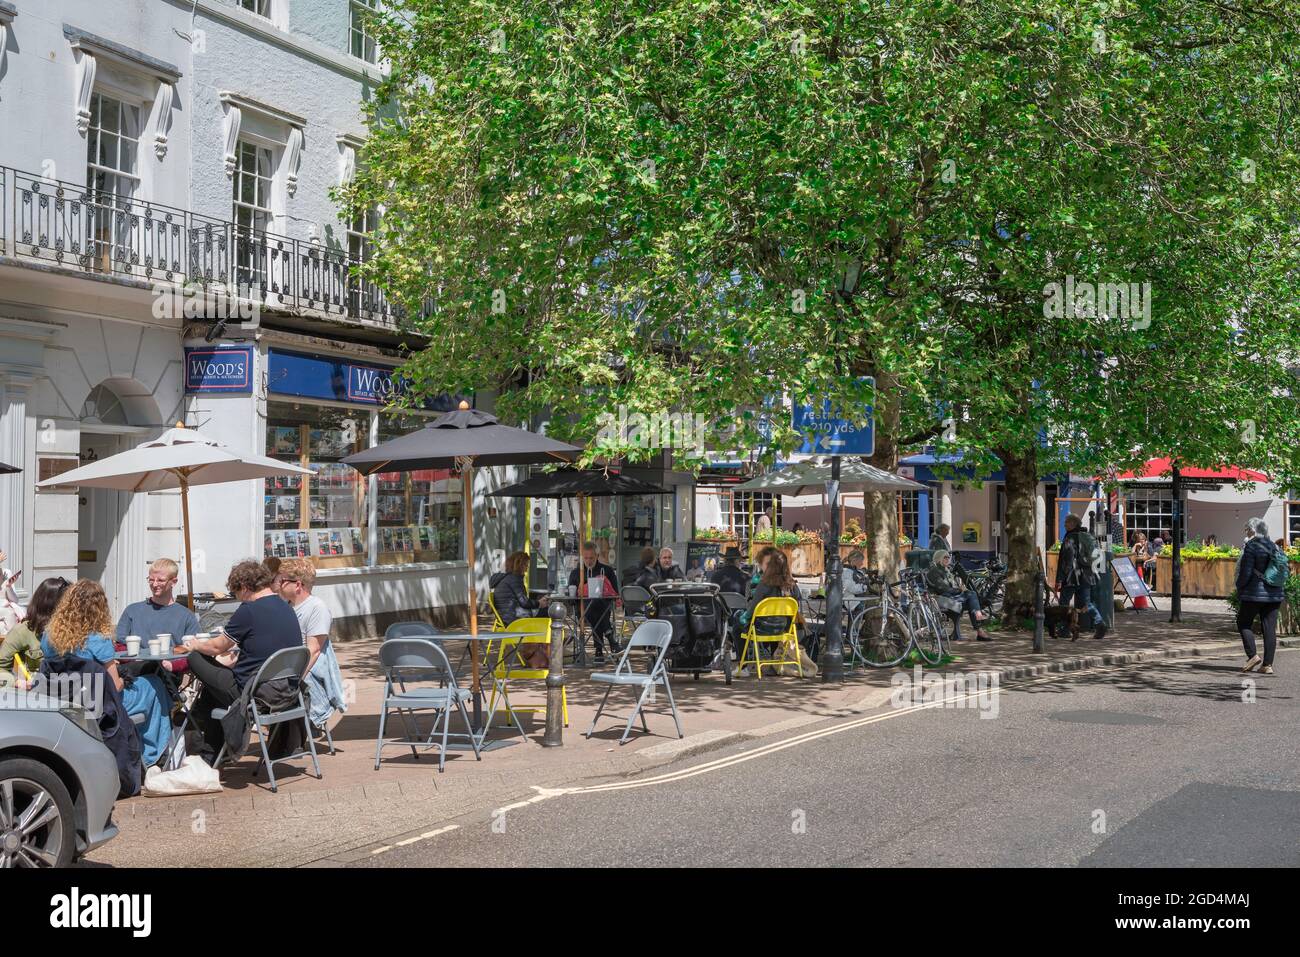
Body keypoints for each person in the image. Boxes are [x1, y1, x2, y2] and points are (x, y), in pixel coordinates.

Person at [40, 579, 174, 767]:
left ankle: (151, 752)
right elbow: (116, 686)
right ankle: (153, 756)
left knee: (148, 687)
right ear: (99, 607)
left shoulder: (48, 636)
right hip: (99, 705)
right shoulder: (97, 639)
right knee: (153, 685)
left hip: (64, 700)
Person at [184, 560, 305, 764]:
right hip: (287, 690)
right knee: (211, 694)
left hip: (254, 692)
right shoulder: (287, 608)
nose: (238, 598)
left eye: (236, 592)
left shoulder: (248, 610)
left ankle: (206, 755)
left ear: (245, 587)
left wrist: (195, 645)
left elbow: (216, 647)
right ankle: (209, 756)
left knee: (195, 659)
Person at [276, 558, 348, 733]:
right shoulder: (286, 606)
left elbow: (313, 650)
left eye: (283, 581)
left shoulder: (317, 608)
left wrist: (294, 678)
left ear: (298, 585)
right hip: (285, 665)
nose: (279, 584)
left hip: (304, 671)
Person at [0, 576, 67, 689]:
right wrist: (16, 682)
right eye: (67, 604)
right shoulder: (23, 631)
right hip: (37, 698)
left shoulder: (74, 631)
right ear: (51, 605)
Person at [115, 558, 200, 644]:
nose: (155, 584)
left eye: (161, 580)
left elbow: (193, 650)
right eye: (151, 580)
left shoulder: (186, 616)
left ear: (174, 582)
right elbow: (120, 645)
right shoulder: (132, 611)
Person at [1237, 517, 1283, 675]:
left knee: (1243, 622)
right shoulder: (1275, 546)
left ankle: (1253, 656)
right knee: (1269, 629)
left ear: (1253, 530)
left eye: (1248, 529)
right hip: (1274, 594)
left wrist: (1239, 587)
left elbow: (1246, 572)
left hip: (1254, 593)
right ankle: (1267, 665)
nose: (1247, 532)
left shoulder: (1252, 545)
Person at [567, 541, 620, 665]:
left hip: (603, 609)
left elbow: (616, 593)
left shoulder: (606, 571)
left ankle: (599, 649)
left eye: (591, 558)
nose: (588, 561)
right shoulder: (576, 573)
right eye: (585, 558)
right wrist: (578, 590)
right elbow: (571, 599)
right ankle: (609, 639)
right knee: (593, 606)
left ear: (597, 556)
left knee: (597, 604)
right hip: (583, 611)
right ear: (582, 557)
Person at [1056, 514, 1106, 640]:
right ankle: (1099, 624)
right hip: (1087, 576)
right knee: (1086, 604)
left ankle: (1064, 629)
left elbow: (1066, 560)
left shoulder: (1070, 538)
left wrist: (1060, 578)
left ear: (1073, 524)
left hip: (1072, 577)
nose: (1064, 525)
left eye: (1066, 522)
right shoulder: (1088, 536)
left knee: (1064, 604)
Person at [927, 550, 991, 641]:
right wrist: (960, 590)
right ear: (938, 559)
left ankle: (979, 627)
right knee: (971, 595)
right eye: (945, 557)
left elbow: (951, 587)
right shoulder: (934, 571)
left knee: (971, 600)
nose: (947, 559)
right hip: (941, 599)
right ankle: (979, 622)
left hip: (950, 598)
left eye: (948, 557)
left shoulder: (946, 570)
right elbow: (943, 589)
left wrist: (960, 589)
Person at [490, 551, 548, 627]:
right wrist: (539, 603)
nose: (527, 567)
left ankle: (537, 636)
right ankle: (541, 637)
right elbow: (524, 602)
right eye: (525, 564)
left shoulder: (507, 578)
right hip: (514, 619)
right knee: (549, 611)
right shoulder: (514, 579)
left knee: (544, 610)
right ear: (519, 565)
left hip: (507, 617)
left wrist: (538, 603)